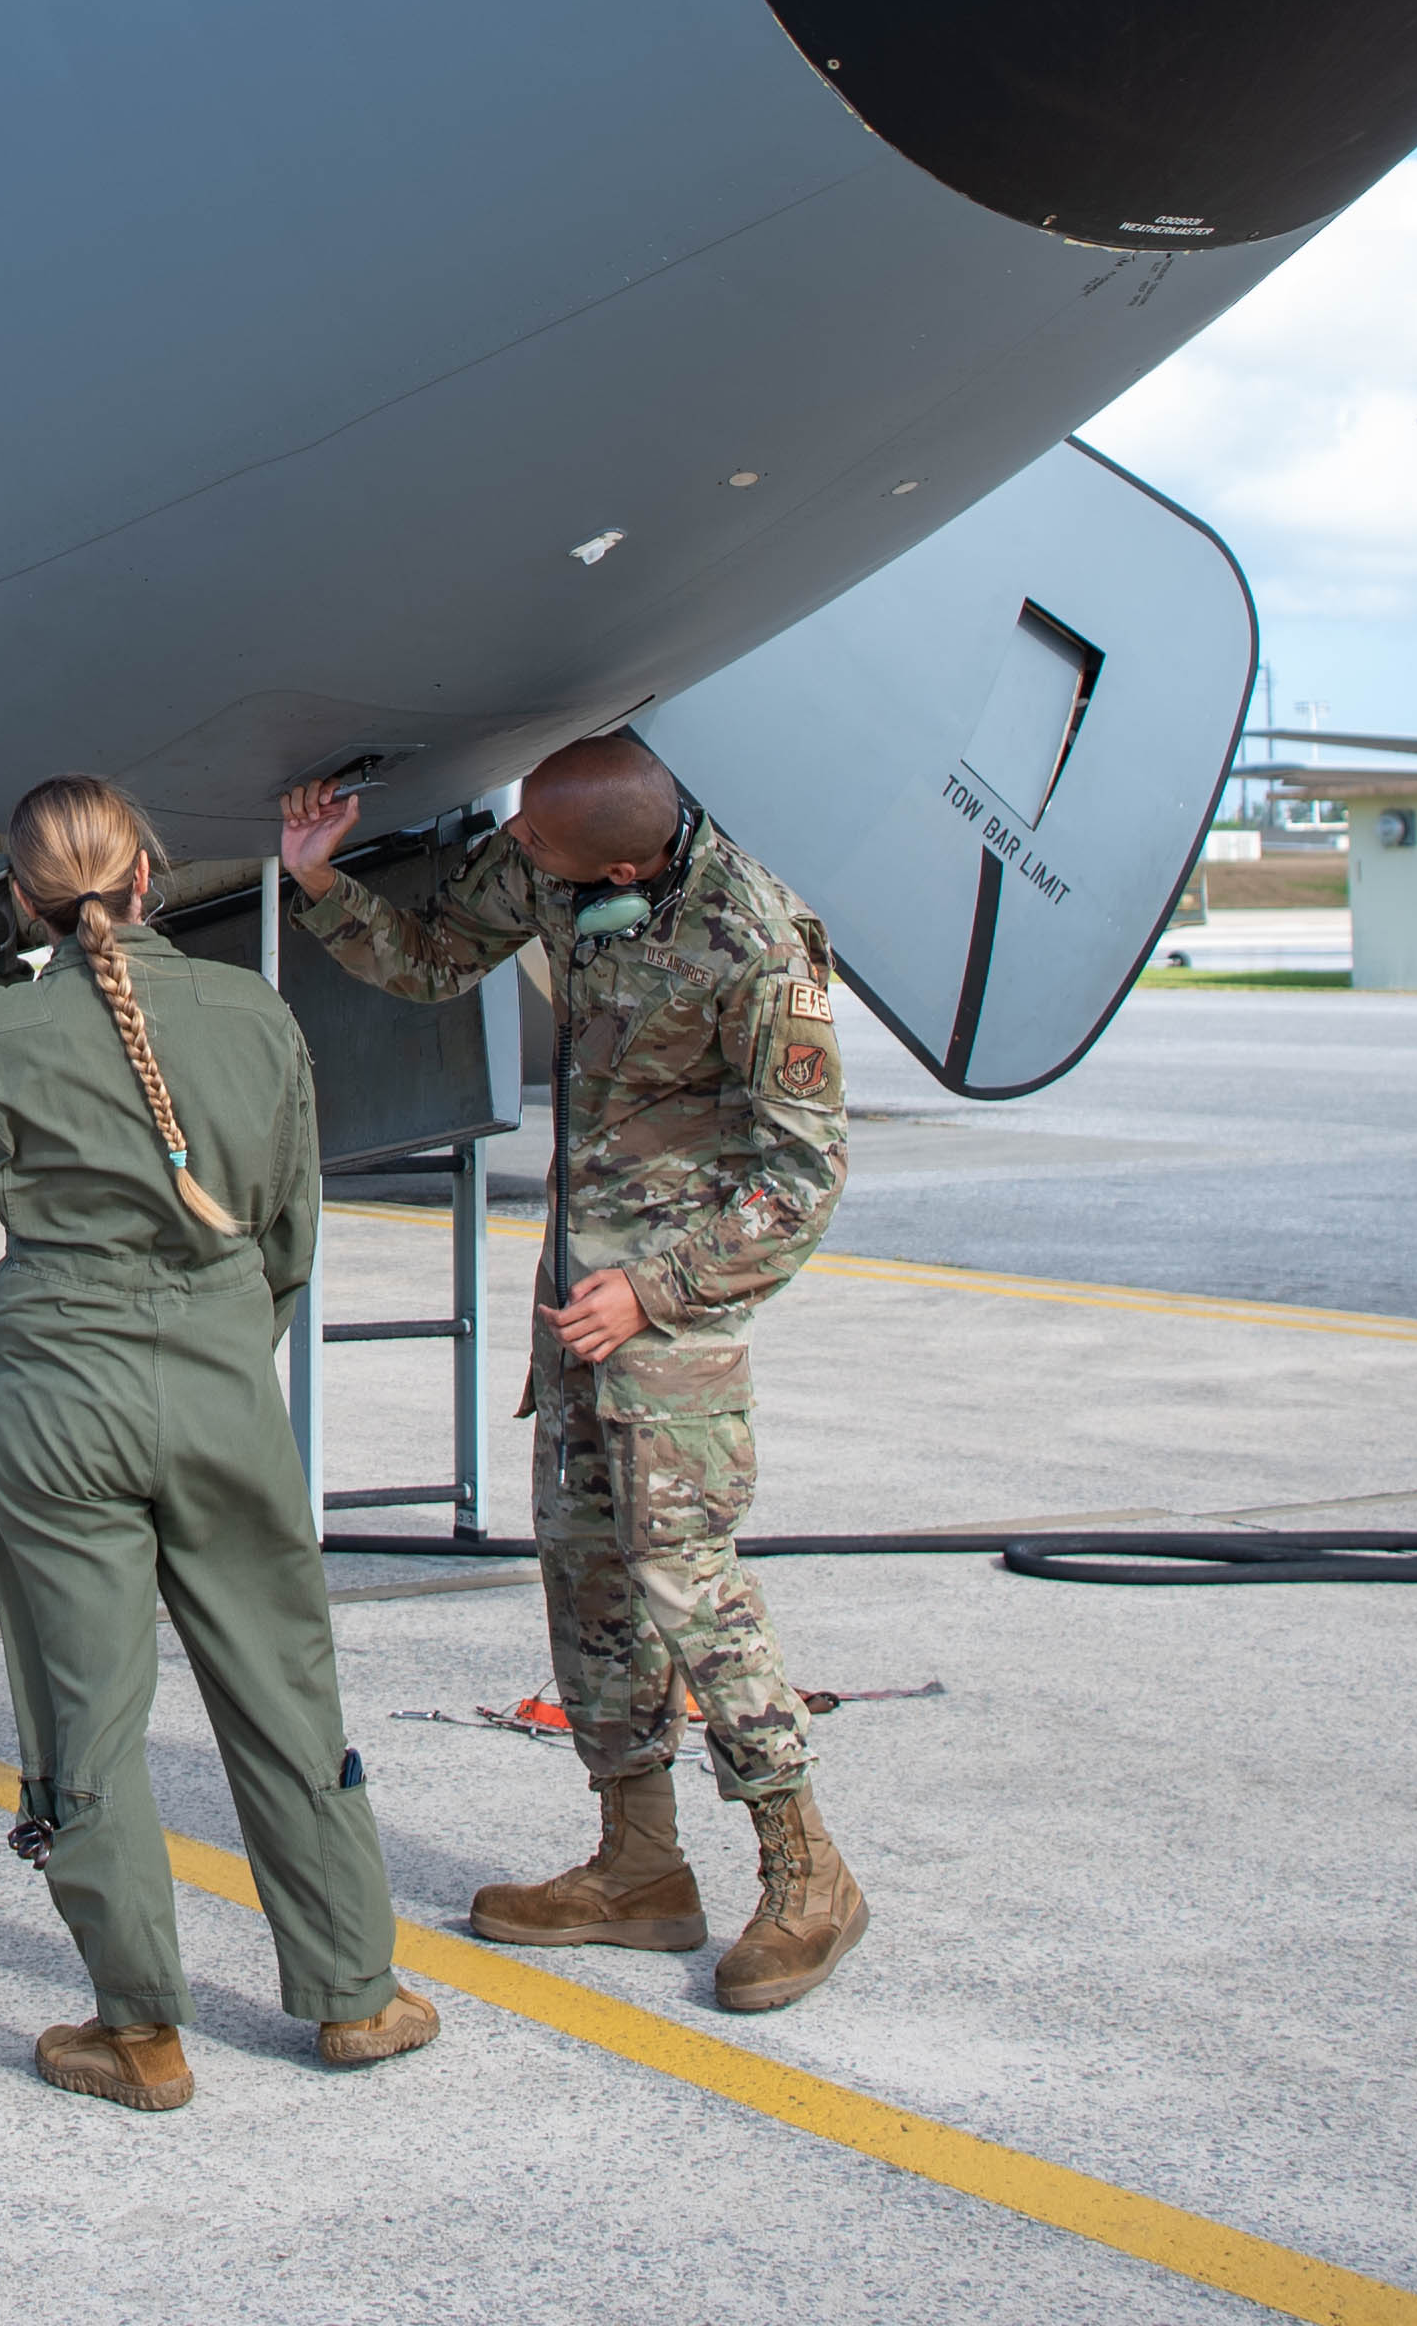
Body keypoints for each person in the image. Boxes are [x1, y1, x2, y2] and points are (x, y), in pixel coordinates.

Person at [278, 732, 866, 2013]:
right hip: (573, 1309)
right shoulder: (554, 858)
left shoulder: (761, 944)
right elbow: (435, 958)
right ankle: (640, 1866)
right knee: (587, 1581)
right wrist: (323, 884)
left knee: (686, 1587)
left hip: (673, 1324)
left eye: (537, 848)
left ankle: (805, 1873)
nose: (513, 858)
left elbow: (803, 1176)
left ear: (626, 856)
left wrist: (652, 1290)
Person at [0, 774, 439, 2109]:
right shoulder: (256, 1012)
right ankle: (356, 1993)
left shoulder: (1, 1030)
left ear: (26, 898)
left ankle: (140, 2033)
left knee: (88, 1714)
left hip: (58, 1398)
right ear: (150, 881)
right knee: (282, 1685)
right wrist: (233, 1357)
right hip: (218, 1380)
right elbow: (293, 1231)